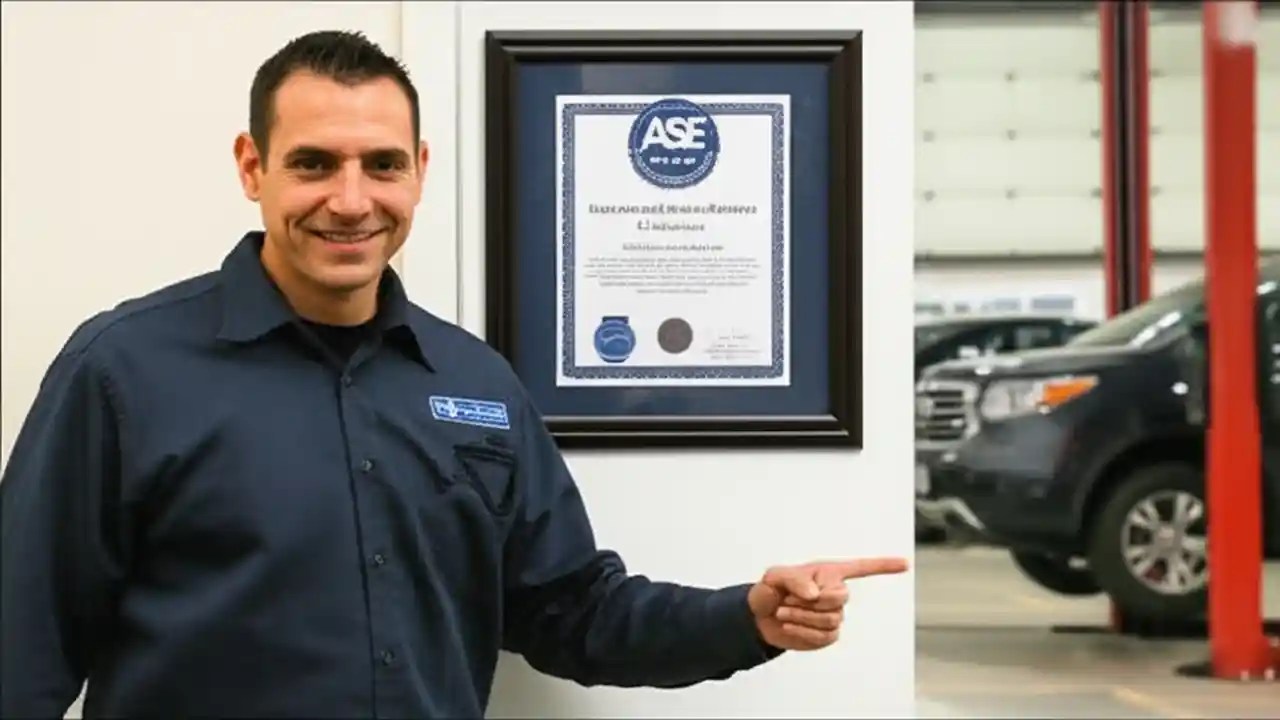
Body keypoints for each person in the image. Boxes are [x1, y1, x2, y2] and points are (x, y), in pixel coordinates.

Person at [0, 30, 908, 718]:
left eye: (381, 165)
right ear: (253, 166)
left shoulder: (476, 382)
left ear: (419, 173)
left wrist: (746, 616)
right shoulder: (123, 371)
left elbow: (572, 612)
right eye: (314, 163)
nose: (351, 200)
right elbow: (21, 647)